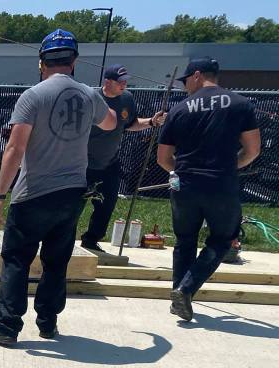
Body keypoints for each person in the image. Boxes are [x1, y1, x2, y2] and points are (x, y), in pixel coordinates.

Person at [0, 29, 116, 347]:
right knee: (56, 261)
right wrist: (99, 99)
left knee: (16, 258)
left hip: (34, 193)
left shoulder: (33, 96)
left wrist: (0, 196)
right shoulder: (87, 94)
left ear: (41, 62)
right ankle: (48, 323)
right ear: (74, 61)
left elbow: (15, 148)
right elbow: (109, 122)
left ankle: (8, 326)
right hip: (71, 193)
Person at [157, 57, 260, 322]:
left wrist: (176, 171)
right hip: (221, 184)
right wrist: (230, 167)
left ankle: (178, 294)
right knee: (223, 239)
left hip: (185, 185)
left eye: (186, 81)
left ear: (197, 75)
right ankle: (185, 290)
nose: (184, 87)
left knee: (185, 240)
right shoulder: (240, 104)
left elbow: (163, 157)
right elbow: (252, 150)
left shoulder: (179, 110)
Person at [80, 64, 167, 254]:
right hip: (83, 164)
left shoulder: (127, 99)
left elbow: (131, 124)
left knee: (106, 204)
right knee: (74, 205)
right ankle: (62, 239)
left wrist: (151, 122)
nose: (124, 84)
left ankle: (91, 240)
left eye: (126, 80)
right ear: (107, 82)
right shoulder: (92, 99)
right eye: (120, 81)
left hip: (109, 163)